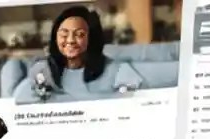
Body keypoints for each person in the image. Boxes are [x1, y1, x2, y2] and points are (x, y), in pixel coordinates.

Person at [14, 6, 145, 103]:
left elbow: (134, 97)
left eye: (79, 35)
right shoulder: (43, 69)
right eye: (64, 35)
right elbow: (20, 99)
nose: (70, 40)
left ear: (92, 38)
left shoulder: (113, 68)